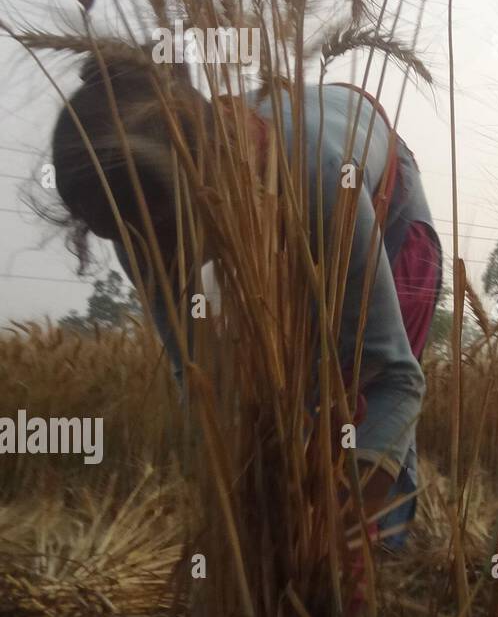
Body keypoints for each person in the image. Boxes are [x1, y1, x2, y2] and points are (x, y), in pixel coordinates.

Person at [49, 58, 442, 553]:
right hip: (277, 182)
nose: (162, 258)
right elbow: (200, 379)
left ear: (208, 175)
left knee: (356, 400)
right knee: (278, 408)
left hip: (385, 204)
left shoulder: (318, 177)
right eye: (130, 240)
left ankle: (382, 555)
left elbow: (393, 380)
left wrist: (333, 542)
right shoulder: (136, 218)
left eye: (172, 235)